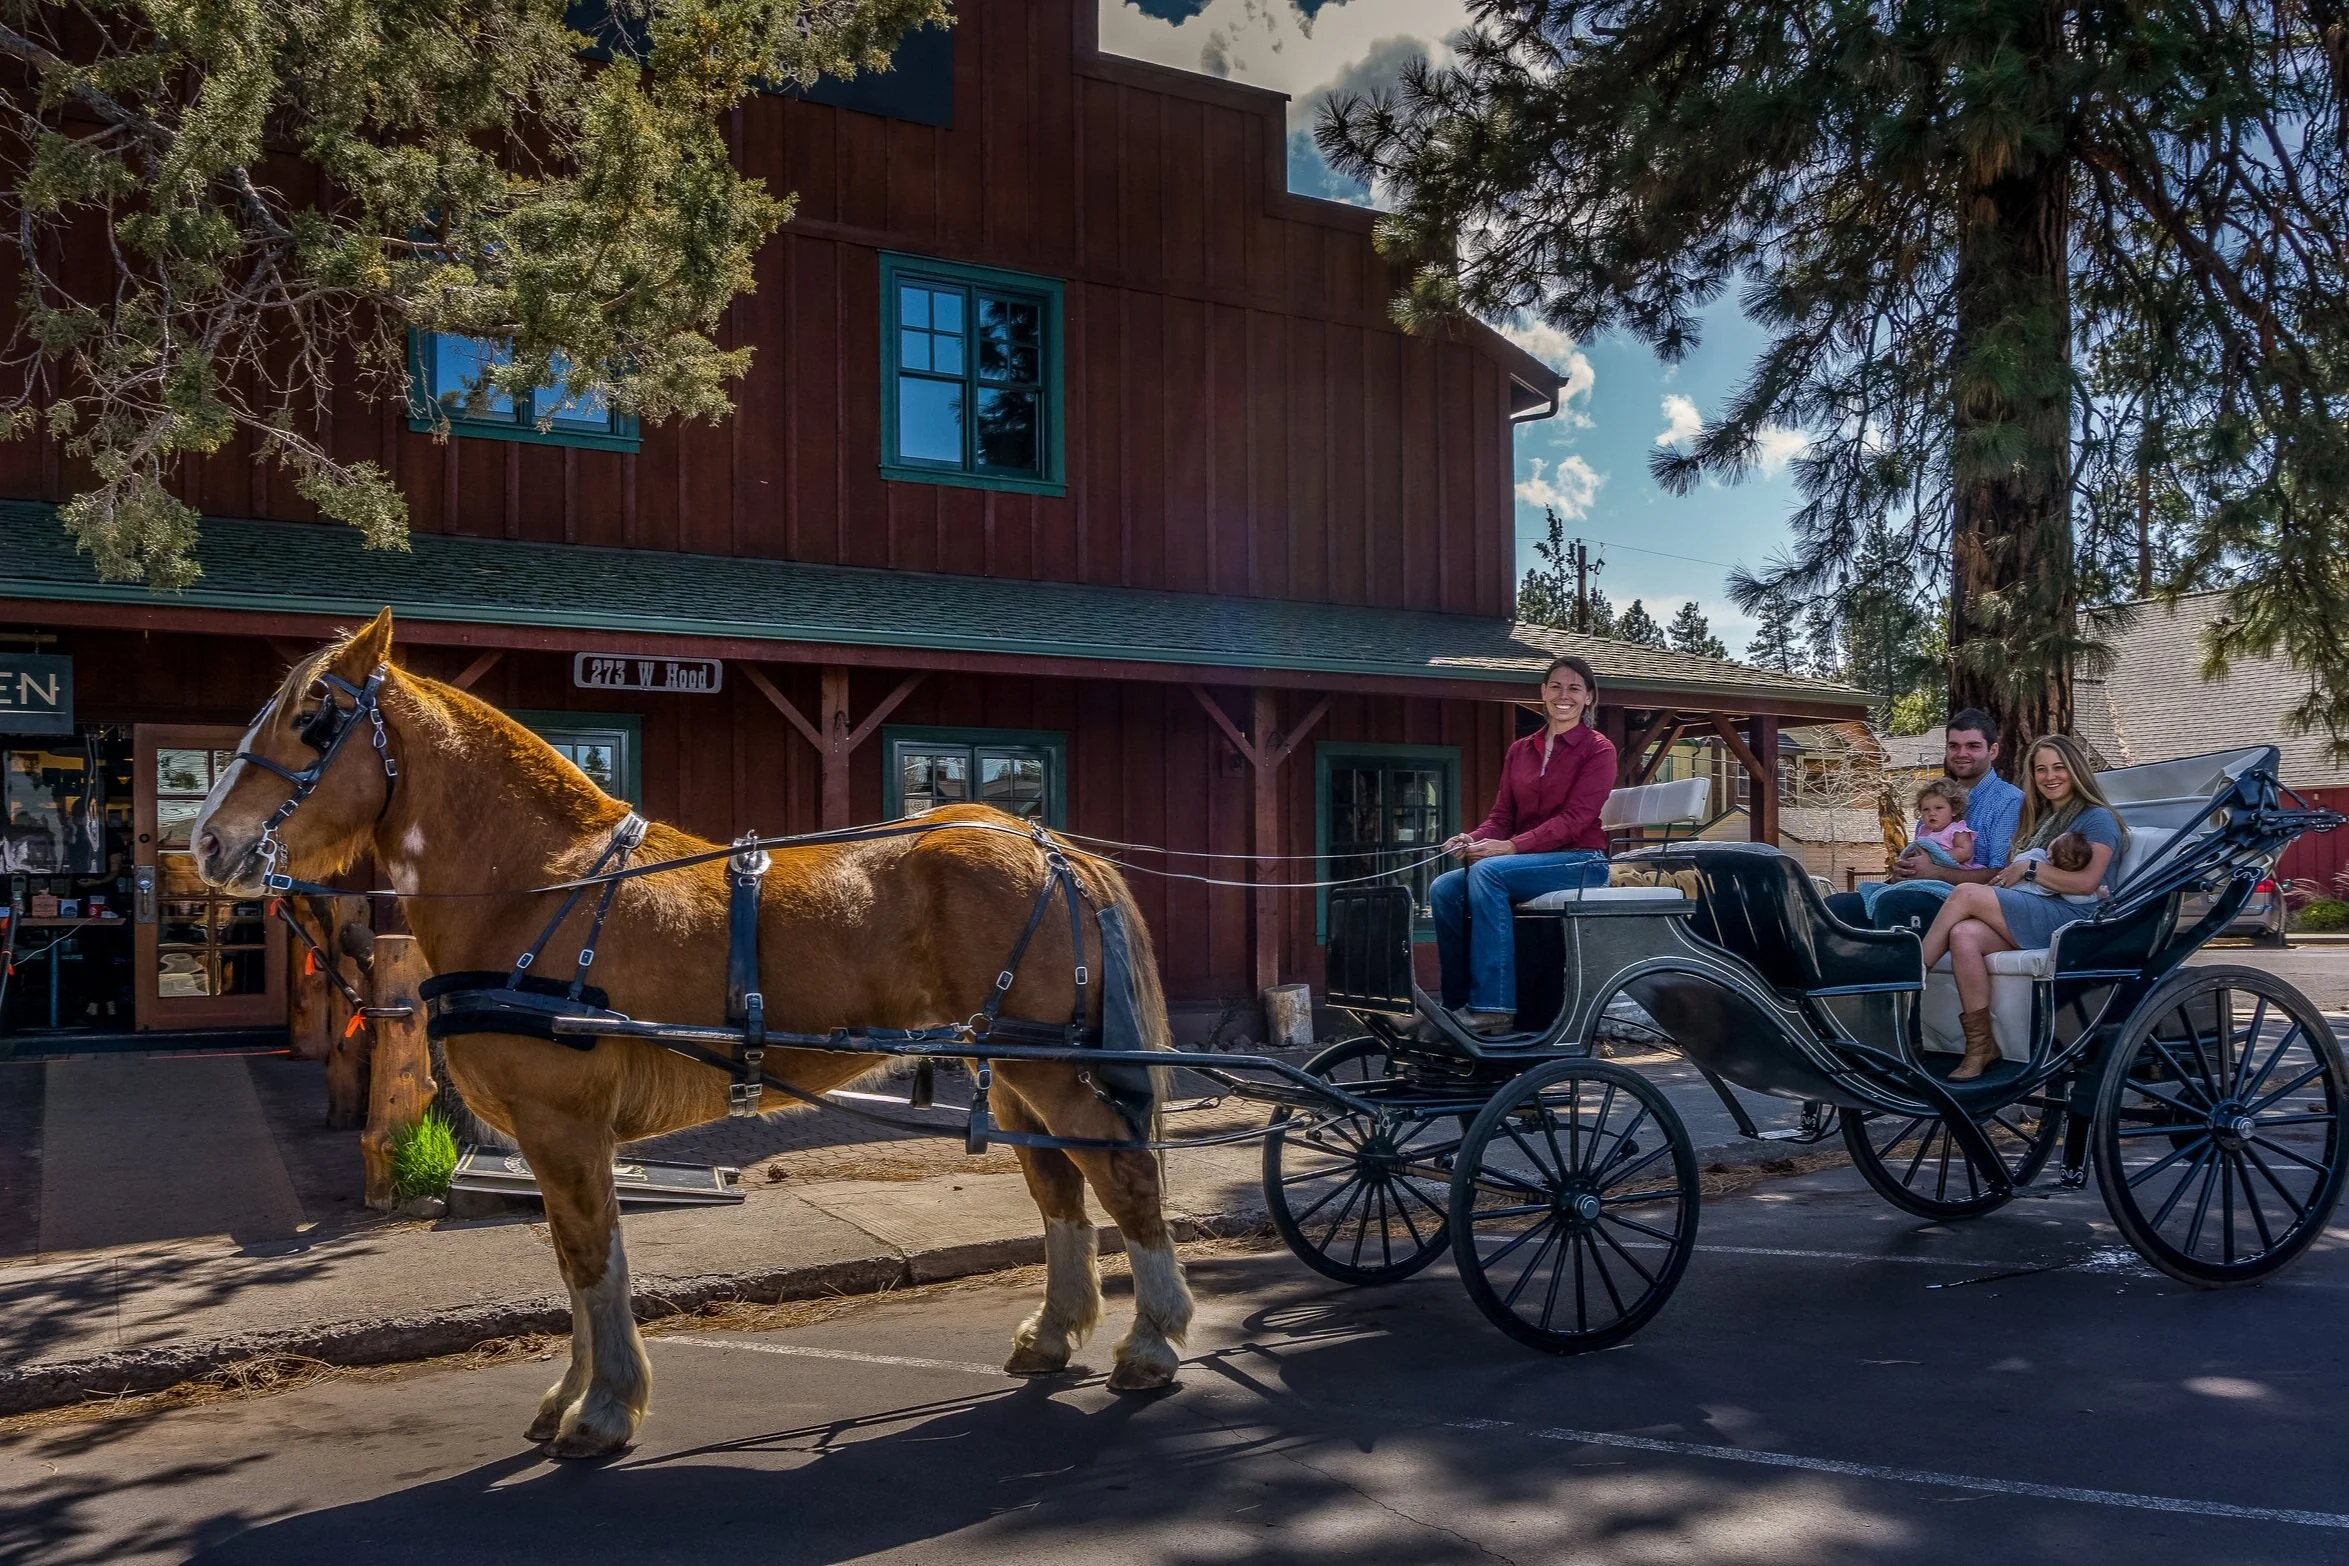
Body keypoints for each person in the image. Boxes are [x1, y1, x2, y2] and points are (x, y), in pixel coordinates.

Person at [1919, 734, 2126, 1080]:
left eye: (2059, 768)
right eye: (2041, 770)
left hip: (2076, 918)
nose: (2050, 776)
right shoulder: (2040, 820)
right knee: (1964, 934)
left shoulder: (2096, 818)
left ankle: (1912, 971)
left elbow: (2087, 882)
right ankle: (1981, 1044)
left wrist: (2031, 869)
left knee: (1967, 894)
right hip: (2037, 907)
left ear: (2076, 770)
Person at [1429, 655, 1616, 1035]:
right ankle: (1455, 1004)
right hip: (1528, 859)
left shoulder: (1599, 749)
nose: (1564, 695)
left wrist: (1510, 848)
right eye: (1556, 687)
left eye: (1575, 688)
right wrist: (1474, 838)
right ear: (1542, 693)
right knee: (1444, 889)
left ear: (1589, 698)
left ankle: (1494, 1006)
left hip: (1580, 861)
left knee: (1487, 873)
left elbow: (1576, 820)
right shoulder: (1520, 750)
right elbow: (1501, 817)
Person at [1826, 709, 2024, 932]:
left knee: (1893, 905)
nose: (1961, 753)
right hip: (1918, 888)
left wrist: (1936, 873)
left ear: (1993, 750)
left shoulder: (2009, 801)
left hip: (1967, 901)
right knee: (1835, 907)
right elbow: (1923, 856)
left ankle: (1907, 966)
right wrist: (1903, 872)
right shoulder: (1934, 800)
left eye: (1973, 746)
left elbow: (2002, 874)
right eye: (1954, 746)